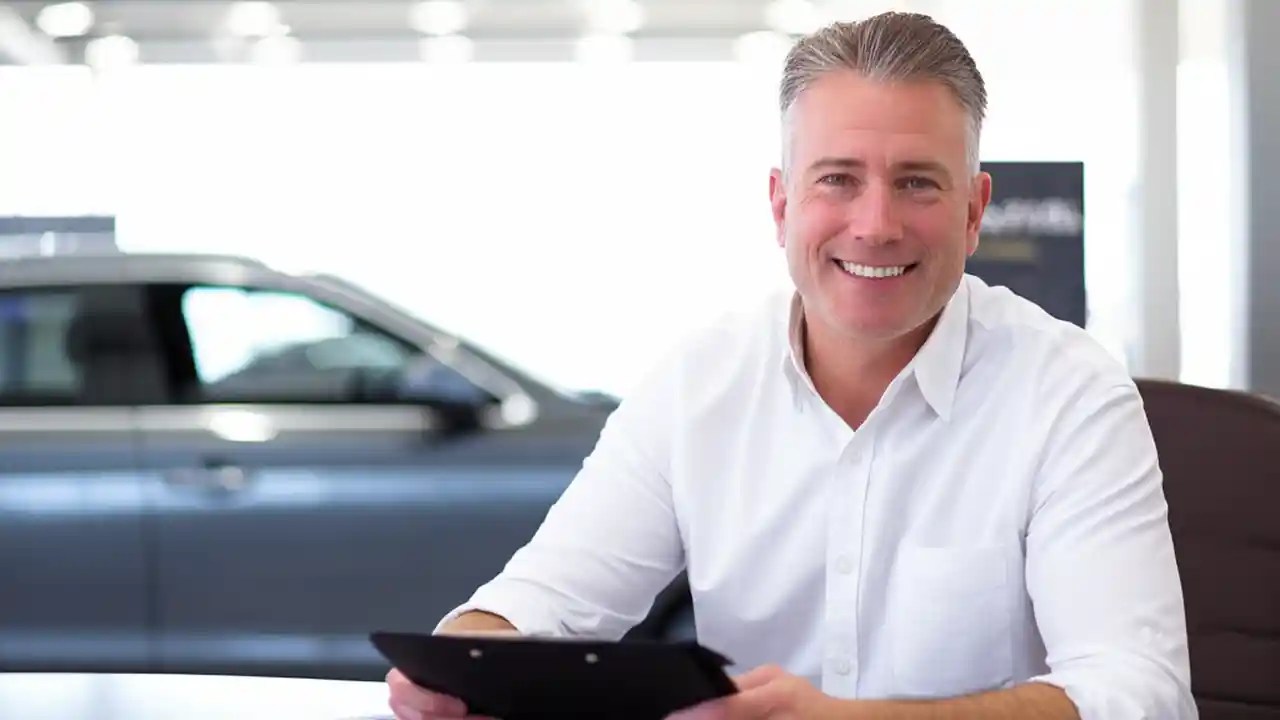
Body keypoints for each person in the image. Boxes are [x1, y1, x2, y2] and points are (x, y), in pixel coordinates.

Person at [387, 11, 1196, 720]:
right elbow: (543, 605)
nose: (875, 225)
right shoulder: (696, 384)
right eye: (837, 180)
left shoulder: (1070, 392)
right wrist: (459, 663)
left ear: (976, 210)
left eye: (917, 183)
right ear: (780, 205)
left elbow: (1140, 694)